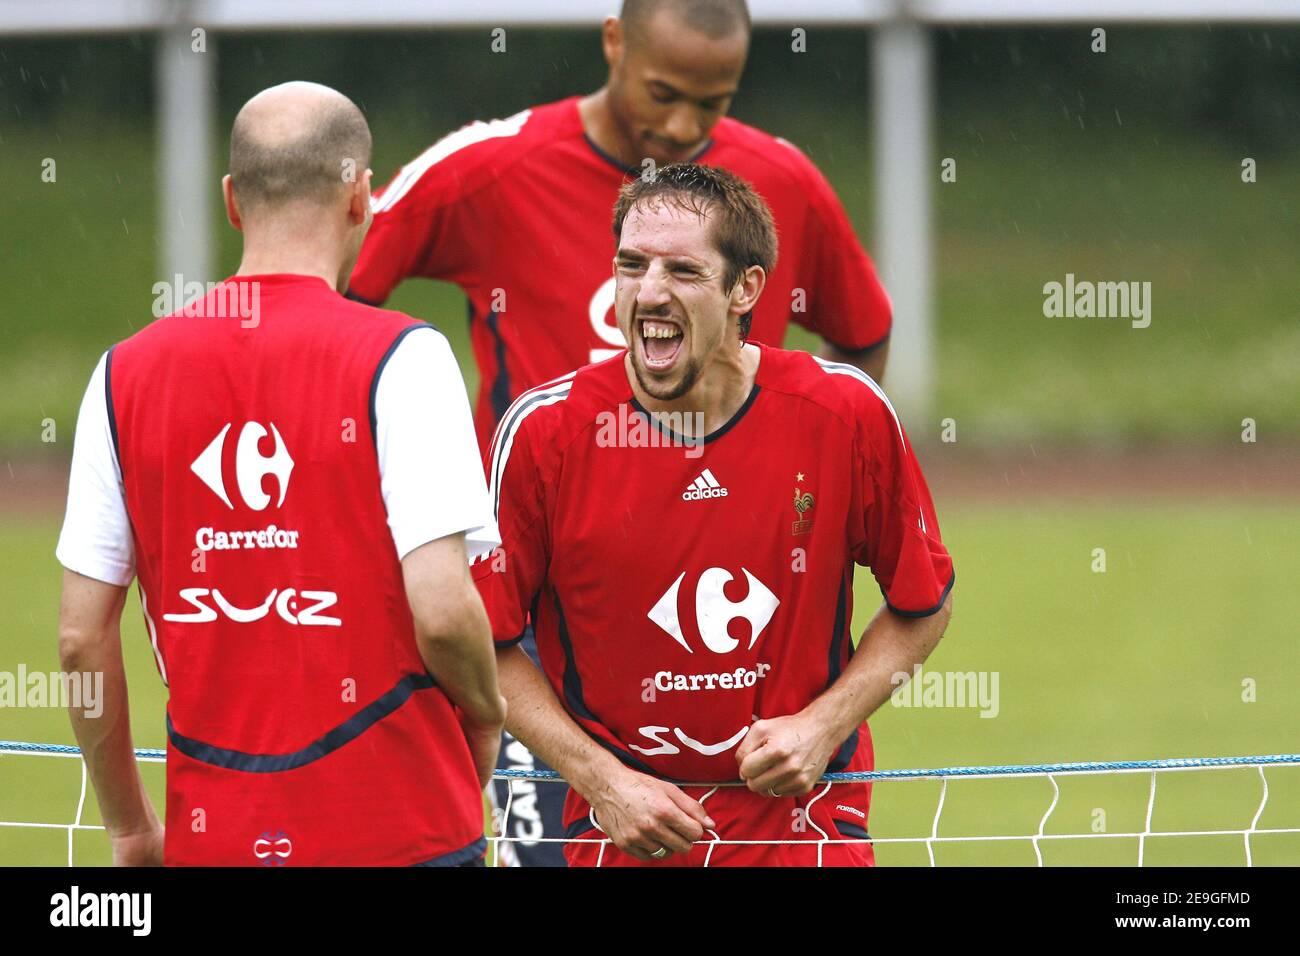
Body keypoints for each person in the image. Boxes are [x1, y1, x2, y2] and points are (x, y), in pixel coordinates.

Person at [349, 0, 893, 864]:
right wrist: (414, 482)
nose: (682, 127)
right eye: (663, 93)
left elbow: (861, 328)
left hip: (737, 588)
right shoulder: (494, 166)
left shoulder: (775, 180)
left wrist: (814, 472)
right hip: (540, 594)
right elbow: (337, 289)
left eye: (712, 104)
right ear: (613, 43)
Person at [54, 81, 505, 866]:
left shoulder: (120, 374)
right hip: (407, 829)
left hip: (217, 837)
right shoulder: (407, 358)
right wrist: (489, 715)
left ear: (231, 201)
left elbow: (78, 640)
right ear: (362, 196)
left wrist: (130, 827)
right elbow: (442, 608)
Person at [473, 163, 953, 867]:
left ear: (745, 290)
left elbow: (923, 605)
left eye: (683, 271)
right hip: (624, 834)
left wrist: (823, 727)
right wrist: (602, 781)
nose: (649, 291)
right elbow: (486, 639)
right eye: (631, 266)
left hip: (805, 828)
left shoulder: (842, 414)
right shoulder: (546, 433)